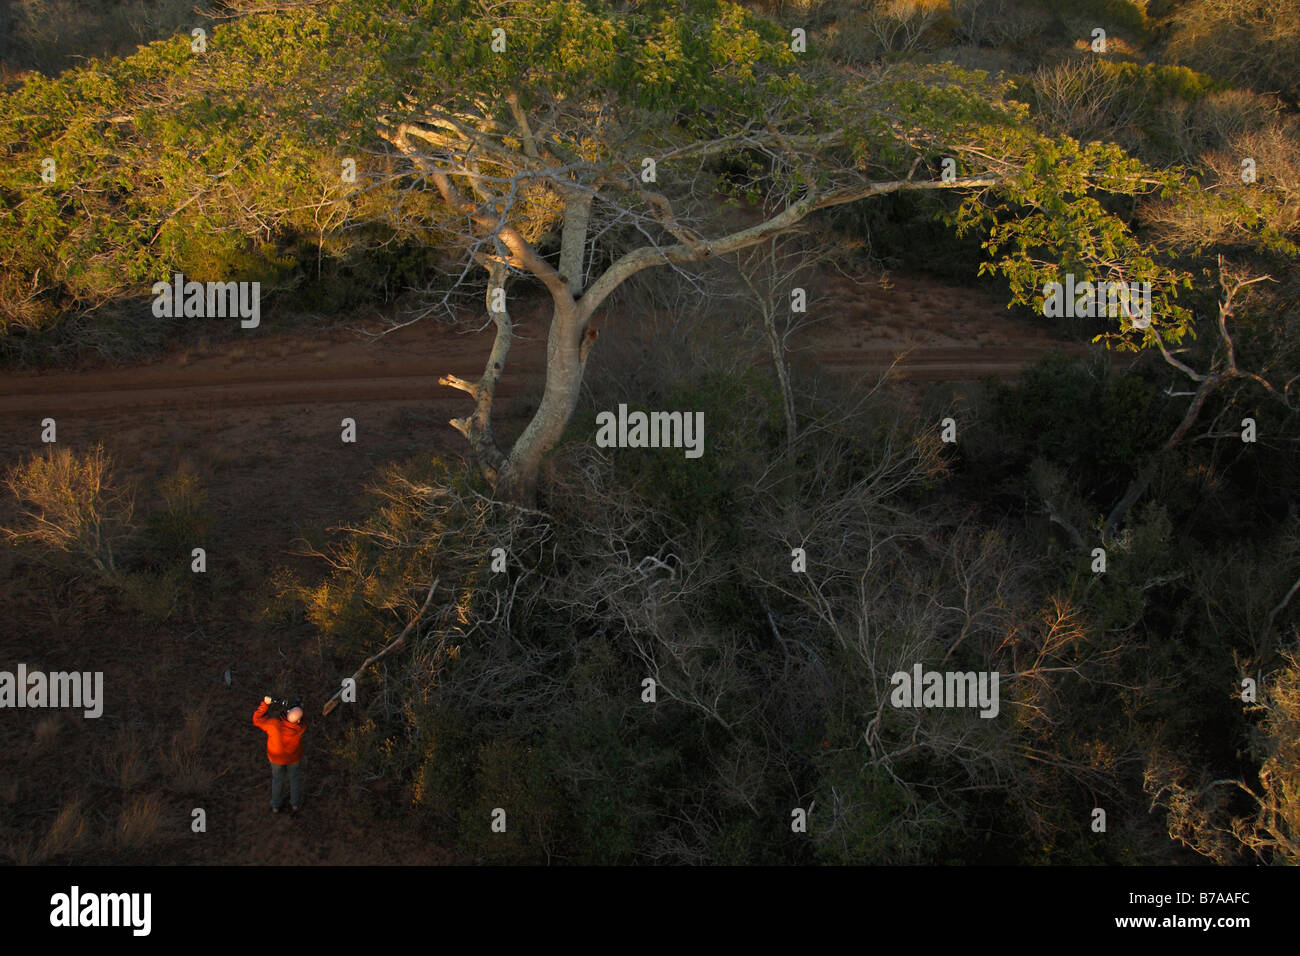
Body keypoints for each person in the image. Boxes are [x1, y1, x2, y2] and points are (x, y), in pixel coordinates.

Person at [252, 695, 305, 814]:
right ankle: (295, 804)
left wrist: (265, 704)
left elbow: (257, 719)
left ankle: (276, 805)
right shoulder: (300, 728)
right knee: (294, 779)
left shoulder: (274, 725)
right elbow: (298, 717)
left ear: (287, 712)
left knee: (277, 780)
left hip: (276, 758)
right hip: (293, 758)